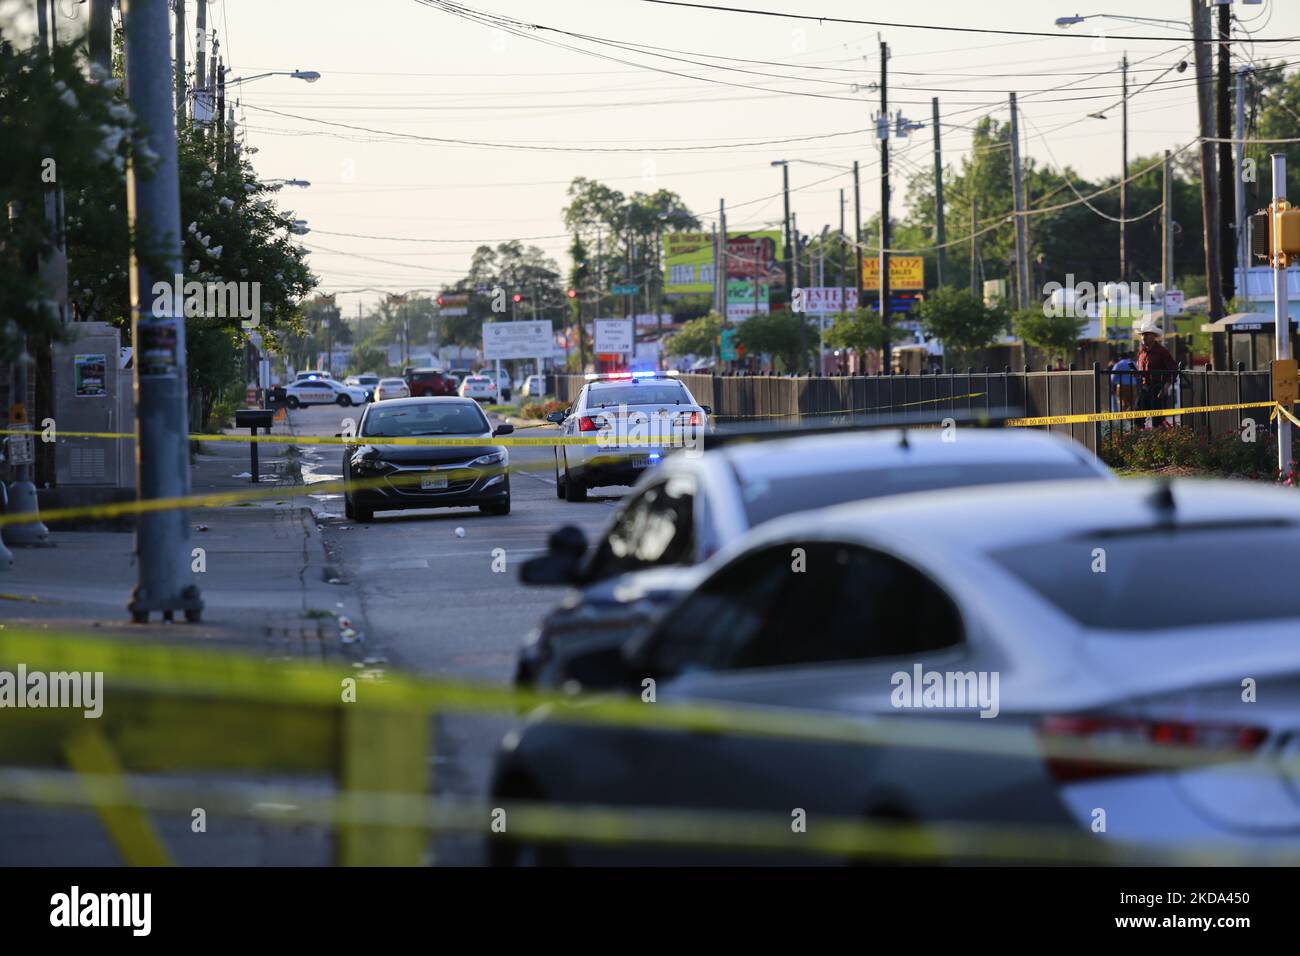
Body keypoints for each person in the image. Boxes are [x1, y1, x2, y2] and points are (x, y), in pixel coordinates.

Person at [1136, 323, 1178, 426]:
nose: (1143, 337)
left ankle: (1160, 440)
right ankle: (1139, 439)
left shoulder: (1162, 351)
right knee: (1137, 417)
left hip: (1158, 388)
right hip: (1145, 388)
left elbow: (1173, 369)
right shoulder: (1142, 352)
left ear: (1154, 336)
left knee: (1158, 421)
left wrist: (1165, 387)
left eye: (1146, 334)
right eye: (1142, 335)